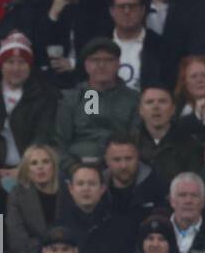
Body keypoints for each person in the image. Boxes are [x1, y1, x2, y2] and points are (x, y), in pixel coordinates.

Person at [0, 32, 59, 173]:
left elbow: (41, 137)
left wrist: (24, 169)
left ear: (29, 66)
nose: (16, 68)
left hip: (31, 167)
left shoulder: (44, 94)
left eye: (22, 62)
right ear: (1, 65)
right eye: (10, 62)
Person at [53, 38, 140, 166]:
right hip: (77, 170)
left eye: (108, 60)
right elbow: (59, 144)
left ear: (118, 64)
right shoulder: (72, 99)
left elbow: (136, 142)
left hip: (119, 168)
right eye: (95, 60)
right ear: (86, 65)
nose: (101, 65)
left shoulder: (132, 99)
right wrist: (74, 168)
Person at [5, 145, 60, 253]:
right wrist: (50, 251)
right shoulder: (18, 195)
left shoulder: (69, 192)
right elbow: (18, 242)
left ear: (54, 166)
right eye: (34, 163)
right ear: (27, 170)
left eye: (45, 162)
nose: (40, 167)